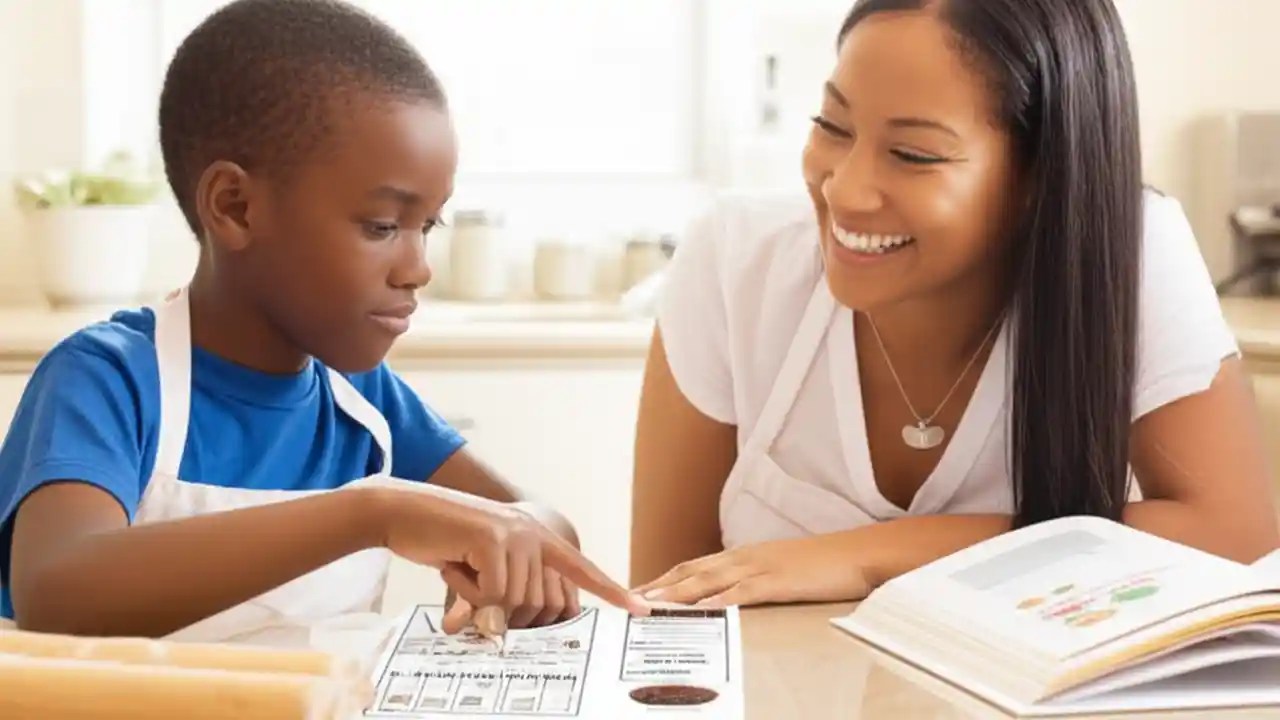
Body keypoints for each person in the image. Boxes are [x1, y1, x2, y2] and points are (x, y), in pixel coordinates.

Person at [0, 0, 647, 642]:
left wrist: (516, 550)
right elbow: (58, 592)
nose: (417, 267)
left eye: (428, 226)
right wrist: (372, 512)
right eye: (383, 226)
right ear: (237, 208)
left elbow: (538, 522)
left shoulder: (362, 398)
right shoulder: (107, 378)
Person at [630, 0, 1279, 608]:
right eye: (833, 125)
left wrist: (867, 558)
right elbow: (660, 600)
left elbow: (1234, 536)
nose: (846, 190)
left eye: (913, 155)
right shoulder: (734, 260)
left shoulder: (1129, 250)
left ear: (1041, 176)